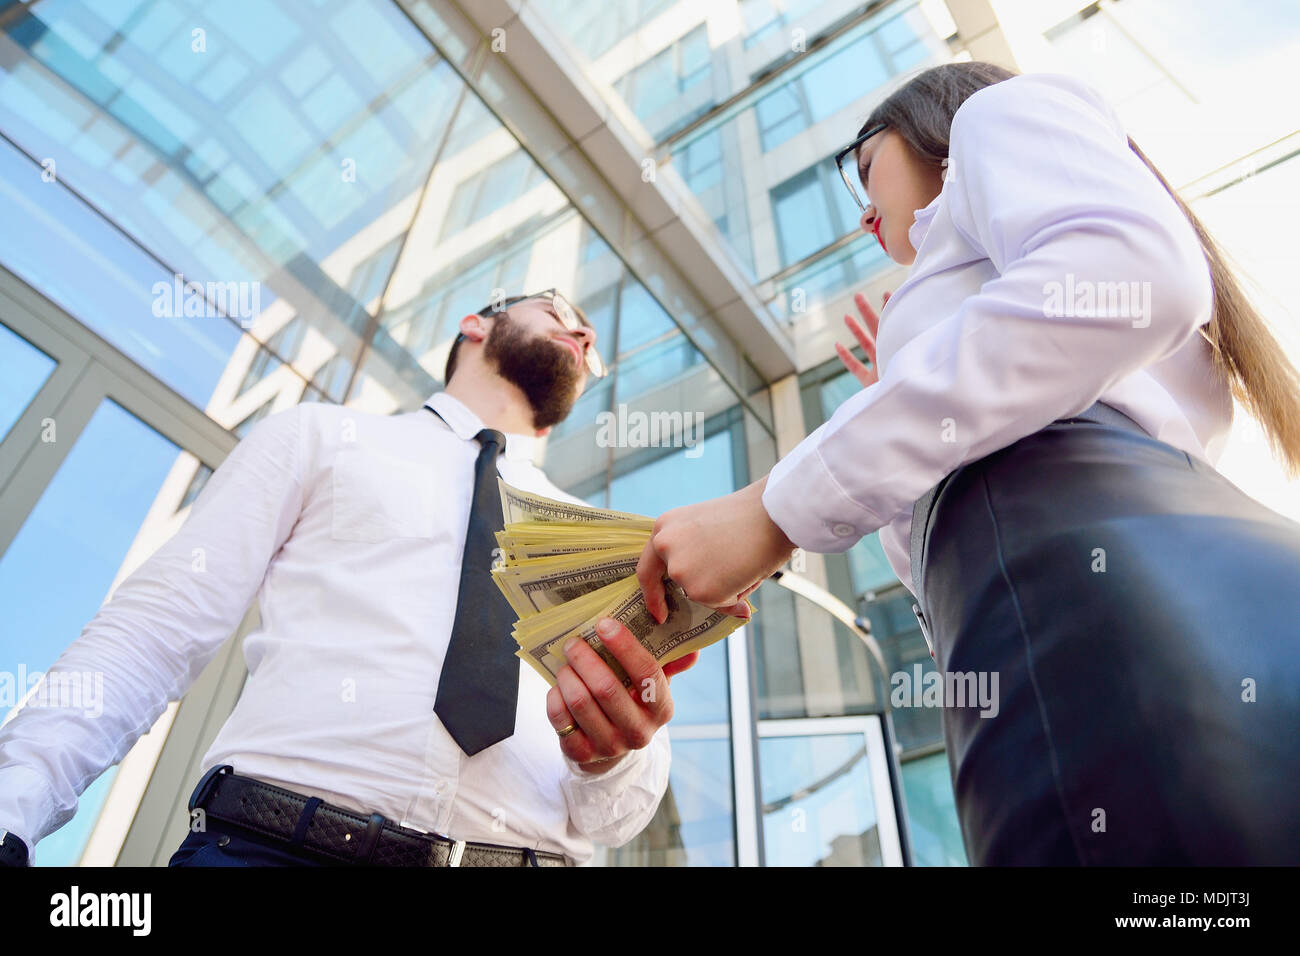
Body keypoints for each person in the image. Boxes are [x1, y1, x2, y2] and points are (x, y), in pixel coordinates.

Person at [636, 63, 1300, 865]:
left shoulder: (995, 111)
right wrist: (909, 394)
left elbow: (1131, 275)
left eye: (863, 166)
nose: (863, 214)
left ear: (932, 126)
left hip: (1100, 617)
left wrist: (773, 510)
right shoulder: (991, 277)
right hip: (1124, 612)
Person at [0, 291, 695, 868]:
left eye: (591, 344)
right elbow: (157, 630)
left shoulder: (603, 543)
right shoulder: (317, 437)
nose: (583, 333)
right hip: (274, 848)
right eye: (559, 310)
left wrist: (610, 760)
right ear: (476, 323)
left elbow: (613, 819)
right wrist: (12, 808)